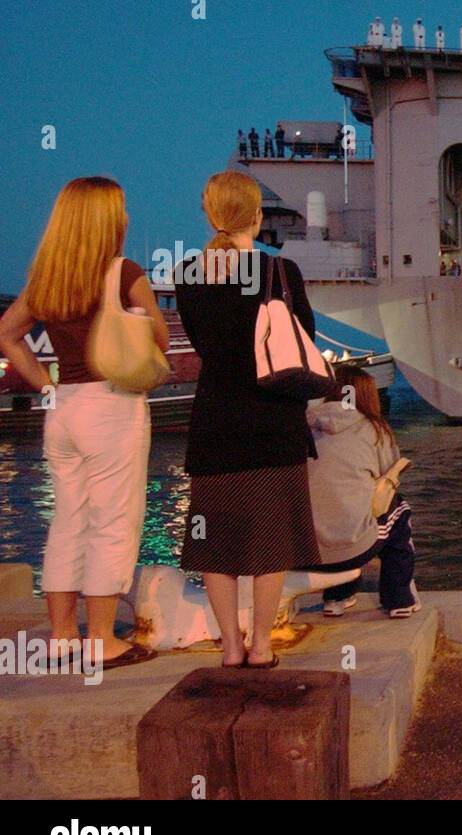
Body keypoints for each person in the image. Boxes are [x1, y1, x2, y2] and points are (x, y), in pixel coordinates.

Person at [0, 177, 167, 671]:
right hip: (111, 405)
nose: (129, 217)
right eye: (122, 209)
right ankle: (100, 640)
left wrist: (46, 385)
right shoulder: (123, 273)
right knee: (114, 522)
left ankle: (60, 638)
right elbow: (157, 335)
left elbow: (7, 335)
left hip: (64, 408)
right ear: (107, 220)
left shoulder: (47, 277)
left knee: (69, 521)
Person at [175, 171, 322, 669]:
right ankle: (261, 645)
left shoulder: (188, 275)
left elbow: (202, 346)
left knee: (215, 540)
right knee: (272, 538)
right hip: (273, 418)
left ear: (211, 215)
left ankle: (230, 647)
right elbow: (304, 340)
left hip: (215, 420)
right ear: (256, 217)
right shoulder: (282, 272)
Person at [297, 365, 420, 618]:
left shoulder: (302, 424)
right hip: (351, 551)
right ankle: (400, 599)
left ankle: (337, 598)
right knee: (398, 510)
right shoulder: (374, 430)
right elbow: (390, 473)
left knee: (329, 504)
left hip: (302, 553)